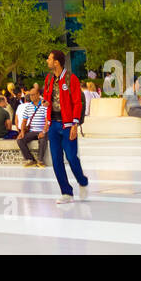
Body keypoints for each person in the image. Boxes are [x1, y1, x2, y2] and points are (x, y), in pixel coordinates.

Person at [43, 49, 89, 203]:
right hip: (53, 125)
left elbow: (77, 102)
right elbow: (48, 99)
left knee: (71, 157)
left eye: (49, 59)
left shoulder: (71, 79)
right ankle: (66, 192)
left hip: (67, 124)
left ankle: (82, 181)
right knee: (56, 160)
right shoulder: (49, 79)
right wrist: (46, 107)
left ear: (57, 62)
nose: (47, 61)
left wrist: (75, 124)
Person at [16, 86, 48, 166]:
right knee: (20, 140)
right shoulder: (28, 106)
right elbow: (24, 121)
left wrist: (43, 131)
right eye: (30, 95)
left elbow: (47, 121)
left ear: (38, 94)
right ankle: (30, 159)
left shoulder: (44, 105)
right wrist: (22, 132)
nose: (31, 97)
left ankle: (40, 160)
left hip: (42, 130)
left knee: (43, 139)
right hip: (32, 131)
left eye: (33, 95)